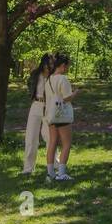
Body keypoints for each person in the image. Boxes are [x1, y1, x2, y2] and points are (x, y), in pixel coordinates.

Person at [44, 53, 77, 182]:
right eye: (67, 66)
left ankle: (50, 173)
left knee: (52, 142)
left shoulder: (49, 79)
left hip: (51, 114)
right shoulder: (63, 79)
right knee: (66, 143)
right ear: (63, 66)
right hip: (62, 115)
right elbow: (67, 98)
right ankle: (62, 173)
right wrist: (76, 93)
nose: (67, 69)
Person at [22, 53, 52, 175]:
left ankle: (54, 166)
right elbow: (29, 84)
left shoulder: (53, 76)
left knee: (50, 137)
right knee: (31, 137)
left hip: (49, 107)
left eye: (52, 63)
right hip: (36, 105)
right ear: (44, 63)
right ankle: (28, 169)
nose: (50, 65)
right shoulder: (36, 74)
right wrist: (32, 95)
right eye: (49, 63)